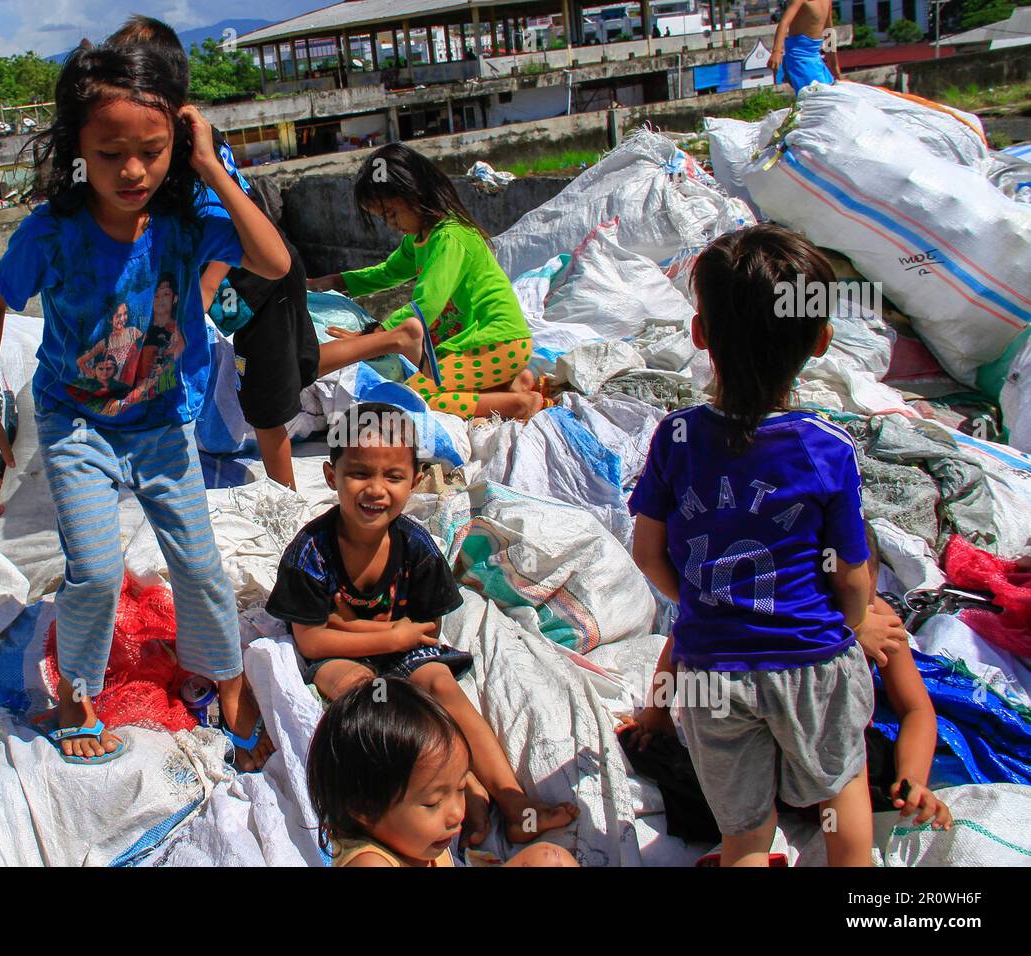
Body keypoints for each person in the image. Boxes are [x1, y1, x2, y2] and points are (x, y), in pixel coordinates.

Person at [0, 39, 289, 768]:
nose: (134, 171)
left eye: (154, 149)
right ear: (76, 147)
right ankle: (76, 691)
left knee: (200, 568)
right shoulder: (53, 233)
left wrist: (208, 164)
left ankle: (228, 677)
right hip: (76, 422)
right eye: (111, 154)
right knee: (99, 568)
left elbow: (272, 262)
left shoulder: (185, 221)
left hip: (161, 424)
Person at [626, 223, 875, 866]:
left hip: (712, 672)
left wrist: (701, 600)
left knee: (744, 834)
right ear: (820, 341)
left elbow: (647, 553)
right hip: (810, 662)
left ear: (699, 334)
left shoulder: (675, 438)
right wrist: (844, 629)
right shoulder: (827, 449)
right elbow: (852, 576)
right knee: (840, 797)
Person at [266, 402, 578, 844]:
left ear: (413, 482)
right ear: (331, 476)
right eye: (359, 473)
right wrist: (387, 632)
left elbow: (427, 629)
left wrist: (355, 624)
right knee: (365, 697)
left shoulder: (415, 546)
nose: (375, 490)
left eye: (392, 477)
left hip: (402, 648)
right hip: (339, 656)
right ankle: (459, 787)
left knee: (439, 683)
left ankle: (513, 802)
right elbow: (313, 642)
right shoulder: (309, 554)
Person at [619, 523, 954, 849]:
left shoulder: (880, 622)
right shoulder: (762, 612)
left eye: (858, 602)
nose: (849, 614)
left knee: (873, 780)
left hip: (829, 752)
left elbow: (916, 709)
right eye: (829, 603)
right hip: (756, 743)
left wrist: (913, 780)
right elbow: (680, 643)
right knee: (679, 769)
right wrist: (657, 711)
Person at [109, 15, 320, 492]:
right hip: (236, 288)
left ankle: (285, 500)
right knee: (283, 371)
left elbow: (231, 226)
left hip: (255, 284)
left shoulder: (194, 146)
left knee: (265, 404)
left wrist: (203, 291)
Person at [308, 143, 548, 421]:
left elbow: (426, 303)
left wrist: (375, 335)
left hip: (498, 343)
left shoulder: (449, 237)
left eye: (391, 214)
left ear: (414, 192)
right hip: (480, 344)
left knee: (418, 396)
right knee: (430, 384)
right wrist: (336, 281)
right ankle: (510, 387)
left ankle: (520, 405)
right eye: (384, 218)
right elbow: (387, 273)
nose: (391, 224)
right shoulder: (420, 238)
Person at [307, 679, 580, 866]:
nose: (457, 813)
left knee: (550, 859)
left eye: (461, 788)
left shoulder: (413, 838)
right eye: (433, 802)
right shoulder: (370, 861)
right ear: (364, 808)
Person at [768, 0, 837, 94]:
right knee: (820, 97)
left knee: (832, 95)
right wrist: (777, 51)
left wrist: (835, 67)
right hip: (799, 56)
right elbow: (784, 22)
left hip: (816, 57)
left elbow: (829, 31)